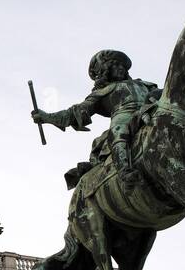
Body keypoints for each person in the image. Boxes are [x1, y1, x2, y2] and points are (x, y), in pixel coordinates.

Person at [31, 50, 161, 186]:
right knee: (119, 131)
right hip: (124, 116)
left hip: (150, 109)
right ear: (106, 70)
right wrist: (46, 117)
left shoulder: (144, 84)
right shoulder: (102, 92)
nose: (121, 68)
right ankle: (125, 171)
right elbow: (73, 113)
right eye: (116, 65)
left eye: (122, 65)